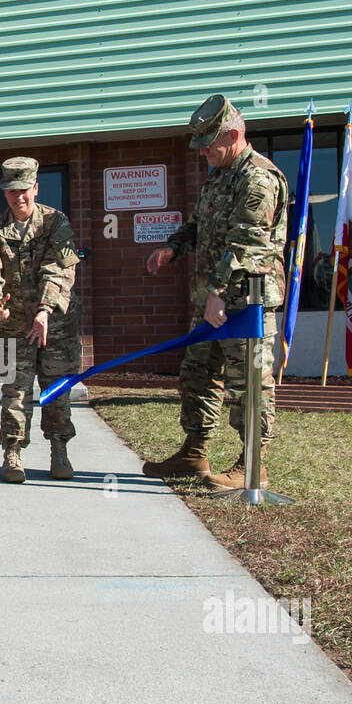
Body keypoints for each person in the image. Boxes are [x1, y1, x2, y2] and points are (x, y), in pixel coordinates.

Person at [143, 95, 288, 489]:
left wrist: (218, 292)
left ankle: (252, 465)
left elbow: (247, 244)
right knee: (198, 375)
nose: (204, 151)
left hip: (246, 302)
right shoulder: (220, 174)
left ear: (235, 134)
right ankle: (194, 452)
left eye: (210, 143)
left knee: (249, 383)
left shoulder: (257, 178)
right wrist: (172, 248)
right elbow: (198, 224)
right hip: (212, 298)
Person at [0, 157, 81, 483]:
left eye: (24, 190)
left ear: (35, 188)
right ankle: (13, 452)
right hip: (13, 326)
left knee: (57, 389)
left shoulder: (56, 223)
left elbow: (58, 271)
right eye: (11, 192)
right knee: (15, 392)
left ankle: (59, 450)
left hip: (55, 326)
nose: (18, 197)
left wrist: (45, 311)